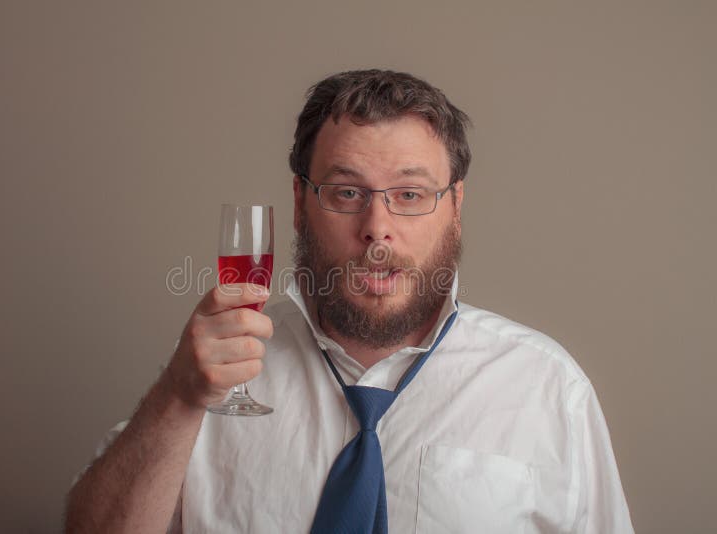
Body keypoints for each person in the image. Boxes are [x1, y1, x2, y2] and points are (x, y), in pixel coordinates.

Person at [65, 69, 634, 533]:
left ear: (455, 207)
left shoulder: (548, 389)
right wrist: (178, 396)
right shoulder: (214, 372)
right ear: (299, 202)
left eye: (409, 195)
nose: (377, 228)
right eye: (347, 193)